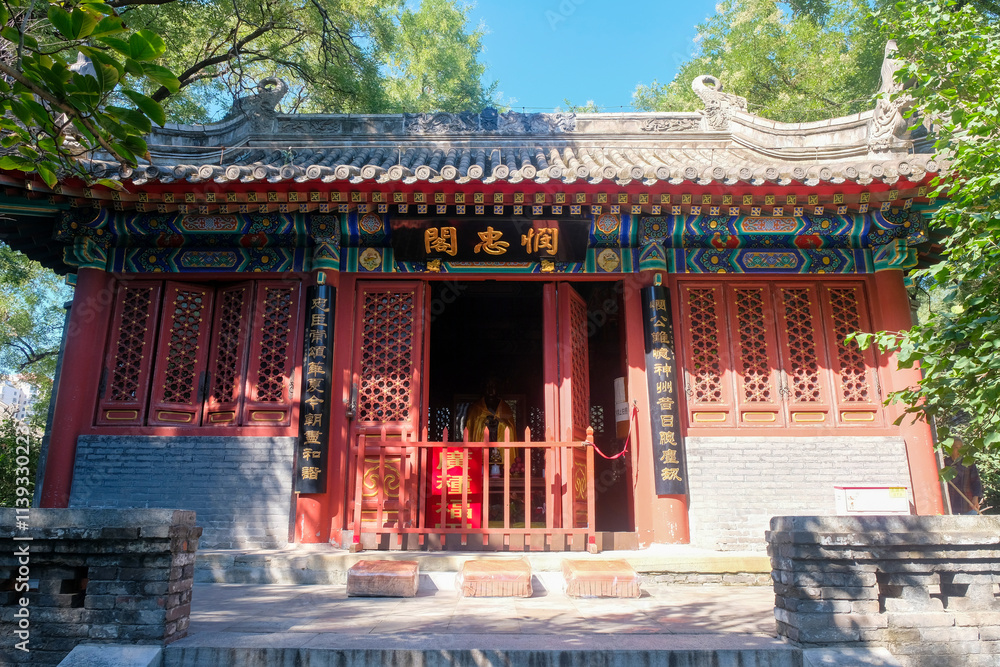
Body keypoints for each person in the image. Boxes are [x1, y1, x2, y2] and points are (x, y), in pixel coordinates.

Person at [943, 438, 983, 515]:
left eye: (961, 447)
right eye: (956, 447)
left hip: (968, 505)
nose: (959, 450)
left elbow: (976, 482)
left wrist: (975, 498)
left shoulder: (968, 463)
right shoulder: (944, 464)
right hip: (950, 505)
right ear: (950, 448)